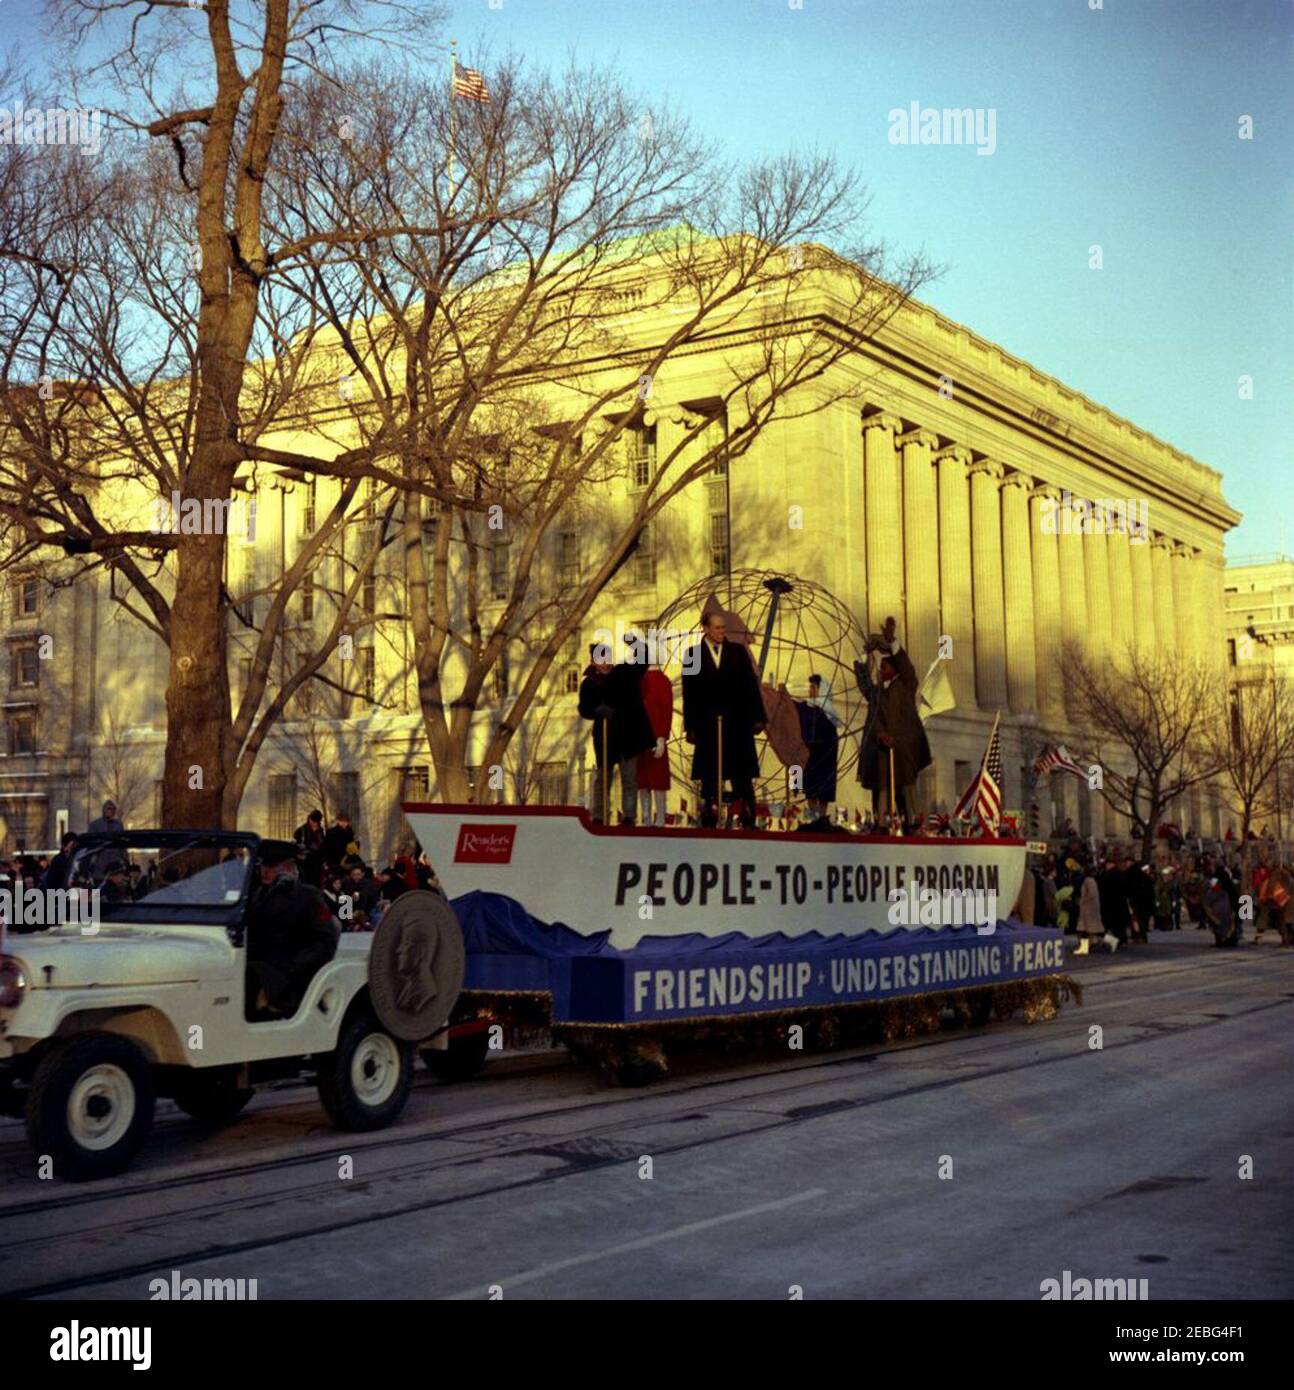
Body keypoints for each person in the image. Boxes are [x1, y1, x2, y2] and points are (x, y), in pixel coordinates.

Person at [681, 610, 766, 829]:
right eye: (717, 628)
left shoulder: (738, 652)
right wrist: (690, 725)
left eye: (723, 627)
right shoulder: (692, 655)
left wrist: (758, 717)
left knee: (741, 771)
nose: (721, 632)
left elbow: (750, 686)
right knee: (710, 772)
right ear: (706, 628)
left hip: (737, 722)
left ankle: (747, 813)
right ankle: (709, 812)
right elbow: (689, 692)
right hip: (708, 723)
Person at [245, 840, 339, 1019]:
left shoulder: (308, 896)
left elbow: (326, 941)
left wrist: (294, 965)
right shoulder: (258, 895)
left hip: (290, 974)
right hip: (260, 967)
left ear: (288, 869)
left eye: (272, 867)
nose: (264, 871)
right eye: (263, 865)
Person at [852, 617, 931, 821]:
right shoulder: (876, 693)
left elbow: (906, 667)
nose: (880, 671)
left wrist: (892, 642)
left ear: (894, 670)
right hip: (883, 753)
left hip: (904, 750)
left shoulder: (906, 685)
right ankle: (882, 823)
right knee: (883, 791)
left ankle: (914, 824)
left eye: (884, 668)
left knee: (908, 791)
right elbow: (863, 682)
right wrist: (864, 654)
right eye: (880, 668)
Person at [579, 640, 655, 825]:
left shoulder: (623, 673)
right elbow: (584, 708)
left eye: (607, 658)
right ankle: (599, 815)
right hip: (605, 737)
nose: (605, 663)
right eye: (600, 658)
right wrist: (597, 710)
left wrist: (636, 645)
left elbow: (642, 662)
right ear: (593, 660)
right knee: (603, 778)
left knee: (629, 778)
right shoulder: (589, 683)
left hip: (627, 735)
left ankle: (629, 815)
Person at [636, 646, 674, 828]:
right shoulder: (662, 681)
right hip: (654, 735)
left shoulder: (642, 680)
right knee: (652, 779)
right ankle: (655, 816)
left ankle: (648, 816)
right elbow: (666, 711)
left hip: (645, 736)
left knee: (645, 779)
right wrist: (662, 737)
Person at [799, 675, 841, 823]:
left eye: (814, 687)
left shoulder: (829, 711)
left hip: (826, 756)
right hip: (811, 756)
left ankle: (821, 820)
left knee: (824, 790)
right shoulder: (806, 707)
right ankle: (813, 820)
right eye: (810, 687)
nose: (810, 690)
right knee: (810, 789)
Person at [294, 809, 326, 886]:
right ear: (309, 819)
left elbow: (323, 846)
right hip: (305, 864)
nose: (314, 824)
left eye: (316, 823)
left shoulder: (321, 831)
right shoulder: (301, 831)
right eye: (313, 821)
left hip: (317, 864)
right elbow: (296, 846)